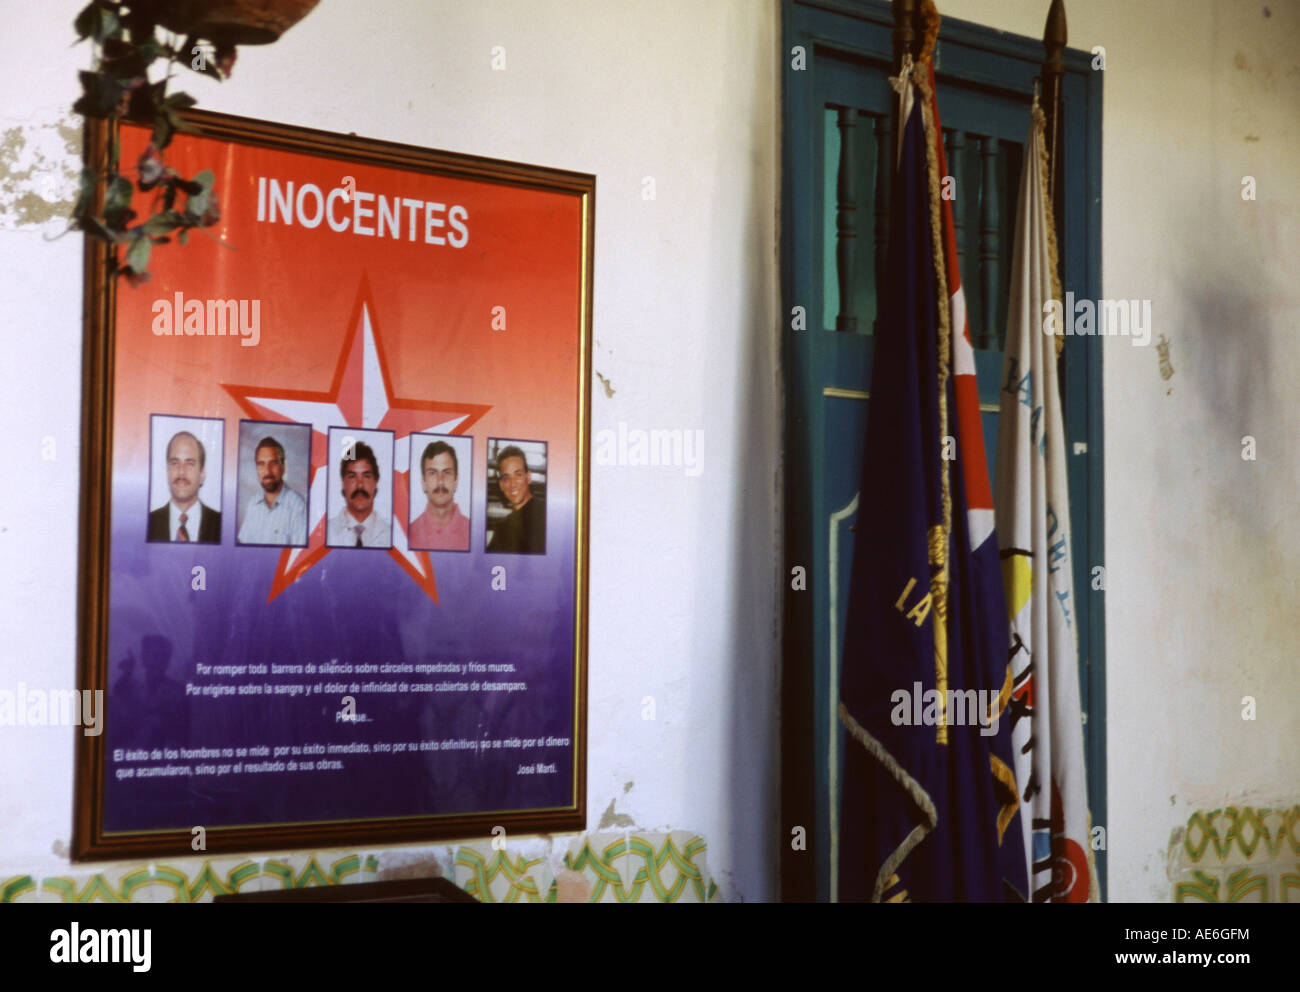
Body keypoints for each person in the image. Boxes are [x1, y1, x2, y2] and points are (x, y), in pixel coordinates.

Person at [147, 430, 221, 543]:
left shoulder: (221, 525)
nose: (181, 471)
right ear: (167, 471)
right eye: (175, 463)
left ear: (202, 474)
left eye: (190, 463)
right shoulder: (147, 524)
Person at [237, 435, 308, 546]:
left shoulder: (298, 507)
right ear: (257, 469)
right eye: (261, 464)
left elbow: (298, 556)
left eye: (273, 463)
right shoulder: (253, 504)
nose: (267, 471)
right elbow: (243, 547)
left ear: (283, 467)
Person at [327, 440, 391, 547]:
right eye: (352, 476)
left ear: (376, 482)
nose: (360, 485)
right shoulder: (327, 532)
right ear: (343, 483)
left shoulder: (391, 535)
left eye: (366, 476)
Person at [409, 440, 470, 551]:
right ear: (423, 482)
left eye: (446, 472)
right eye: (432, 473)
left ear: (456, 481)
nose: (440, 481)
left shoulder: (474, 532)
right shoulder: (408, 534)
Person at [486, 445, 545, 554]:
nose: (512, 484)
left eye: (518, 475)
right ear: (501, 485)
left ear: (528, 477)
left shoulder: (547, 513)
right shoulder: (501, 528)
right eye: (506, 477)